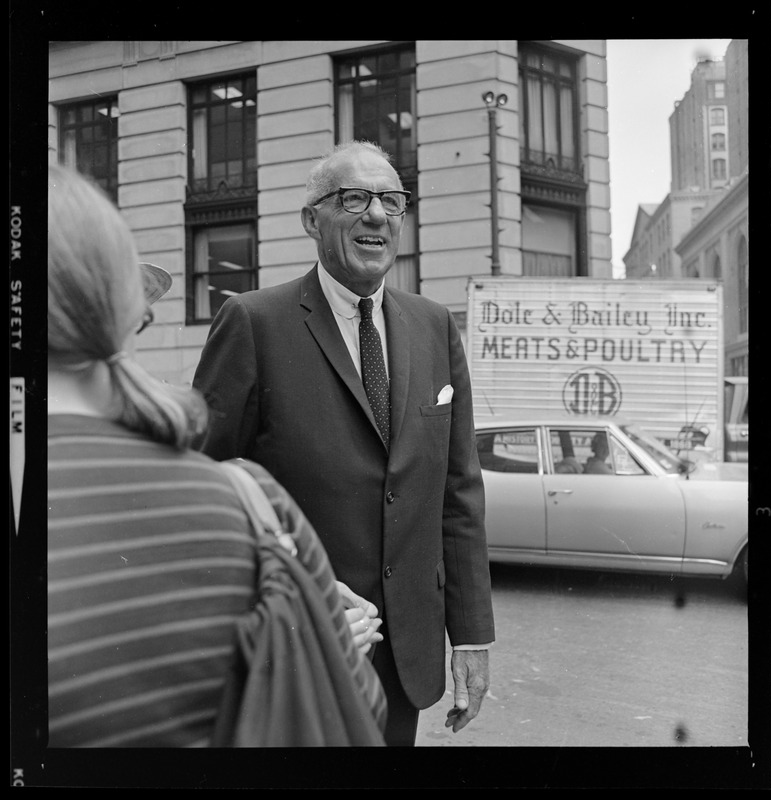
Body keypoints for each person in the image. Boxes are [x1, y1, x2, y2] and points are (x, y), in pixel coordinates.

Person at [46, 164, 385, 747]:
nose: (376, 215)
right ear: (127, 318)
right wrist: (310, 631)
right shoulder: (253, 508)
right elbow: (356, 708)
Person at [193, 140, 496, 746]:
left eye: (391, 200)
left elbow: (458, 492)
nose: (377, 215)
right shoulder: (253, 322)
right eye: (354, 198)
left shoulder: (434, 325)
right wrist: (292, 591)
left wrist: (470, 636)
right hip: (297, 649)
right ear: (312, 220)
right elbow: (200, 490)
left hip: (404, 660)